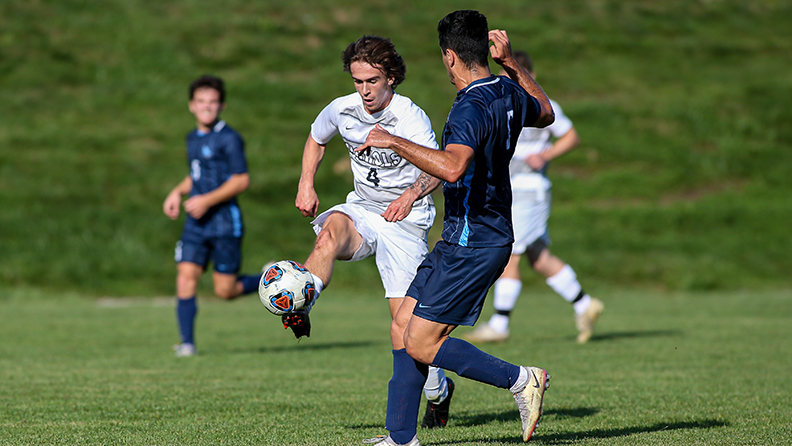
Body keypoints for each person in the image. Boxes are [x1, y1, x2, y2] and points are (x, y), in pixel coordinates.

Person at [354, 11, 555, 446]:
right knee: (402, 326)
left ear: (449, 56)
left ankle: (521, 380)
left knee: (422, 344)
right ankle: (401, 437)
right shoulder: (506, 89)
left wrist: (393, 140)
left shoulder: (468, 106)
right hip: (466, 236)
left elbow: (452, 165)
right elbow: (545, 113)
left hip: (475, 241)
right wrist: (511, 65)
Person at [284, 35, 455, 429]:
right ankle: (301, 303)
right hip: (362, 208)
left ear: (391, 77)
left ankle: (438, 391)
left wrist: (410, 195)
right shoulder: (342, 109)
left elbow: (438, 167)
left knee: (407, 329)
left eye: (372, 81)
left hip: (404, 220)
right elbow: (316, 138)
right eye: (358, 81)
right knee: (328, 235)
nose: (364, 90)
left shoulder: (410, 117)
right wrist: (306, 183)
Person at [464, 52, 604, 345]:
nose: (509, 80)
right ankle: (584, 304)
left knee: (508, 254)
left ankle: (500, 324)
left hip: (530, 189)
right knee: (539, 257)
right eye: (504, 75)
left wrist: (546, 155)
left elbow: (571, 136)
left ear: (530, 76)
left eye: (515, 74)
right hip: (509, 189)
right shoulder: (500, 105)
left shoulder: (541, 104)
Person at [163, 75, 263, 357]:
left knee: (225, 291)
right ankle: (187, 343)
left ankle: (269, 276)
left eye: (213, 101)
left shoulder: (229, 139)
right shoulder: (192, 138)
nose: (207, 106)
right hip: (196, 223)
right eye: (201, 101)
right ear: (191, 105)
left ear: (222, 106)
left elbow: (241, 180)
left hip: (224, 223)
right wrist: (177, 192)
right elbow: (196, 175)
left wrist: (205, 201)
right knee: (185, 276)